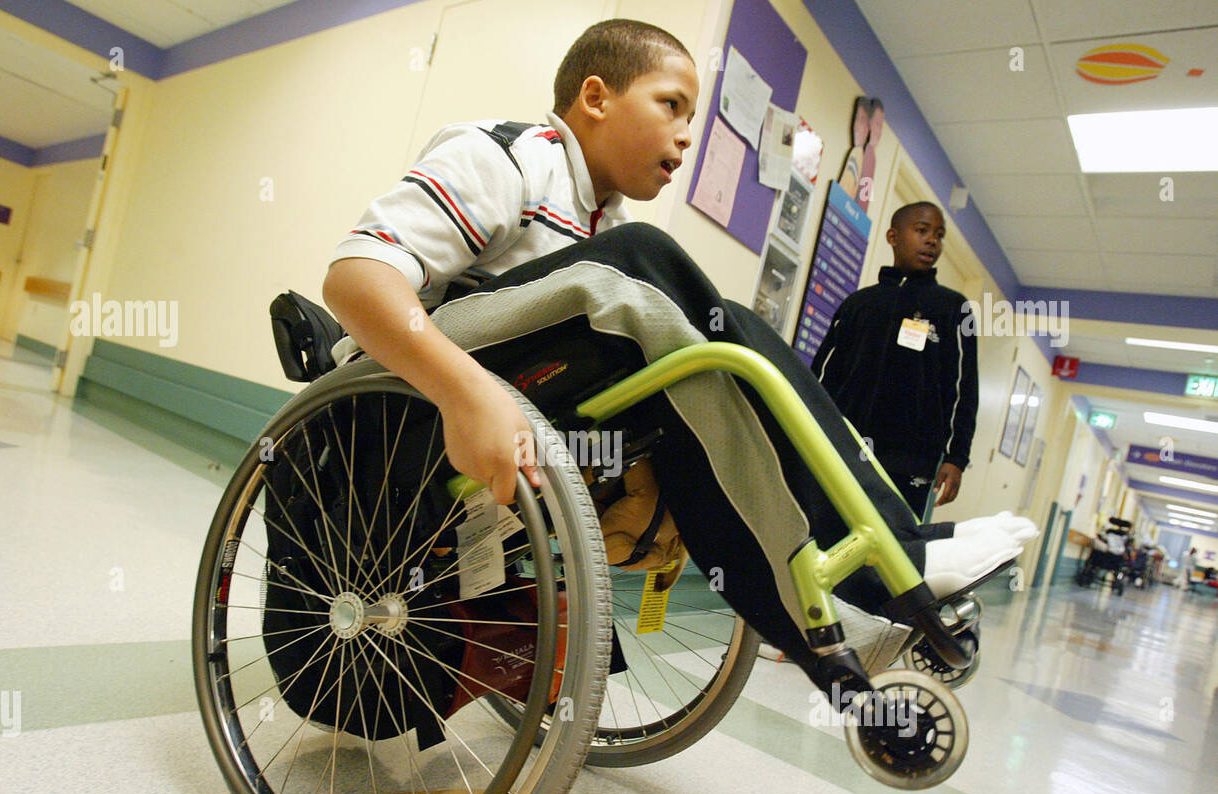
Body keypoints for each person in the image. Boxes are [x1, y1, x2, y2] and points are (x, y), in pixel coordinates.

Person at [321, 19, 1031, 672]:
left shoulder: (597, 224)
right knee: (641, 263)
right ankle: (876, 574)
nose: (687, 134)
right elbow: (355, 279)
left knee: (728, 335)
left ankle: (858, 587)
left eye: (693, 116)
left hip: (519, 388)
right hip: (393, 410)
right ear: (595, 98)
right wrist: (462, 390)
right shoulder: (507, 158)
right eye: (672, 106)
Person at [812, 201, 978, 518]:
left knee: (891, 552)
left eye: (939, 235)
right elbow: (823, 377)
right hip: (844, 451)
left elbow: (965, 389)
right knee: (829, 538)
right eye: (922, 230)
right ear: (893, 236)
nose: (933, 241)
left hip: (911, 462)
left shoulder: (954, 308)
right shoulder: (858, 304)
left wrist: (957, 457)